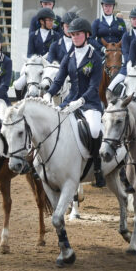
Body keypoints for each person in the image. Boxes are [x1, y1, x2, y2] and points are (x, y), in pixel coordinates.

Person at [42, 17, 105, 187]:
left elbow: (94, 86)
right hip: (70, 100)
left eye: (78, 34)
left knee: (93, 130)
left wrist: (82, 101)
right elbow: (59, 80)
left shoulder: (95, 57)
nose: (75, 37)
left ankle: (97, 167)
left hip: (90, 102)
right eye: (73, 34)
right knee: (53, 124)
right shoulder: (68, 56)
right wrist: (48, 94)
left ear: (86, 35)